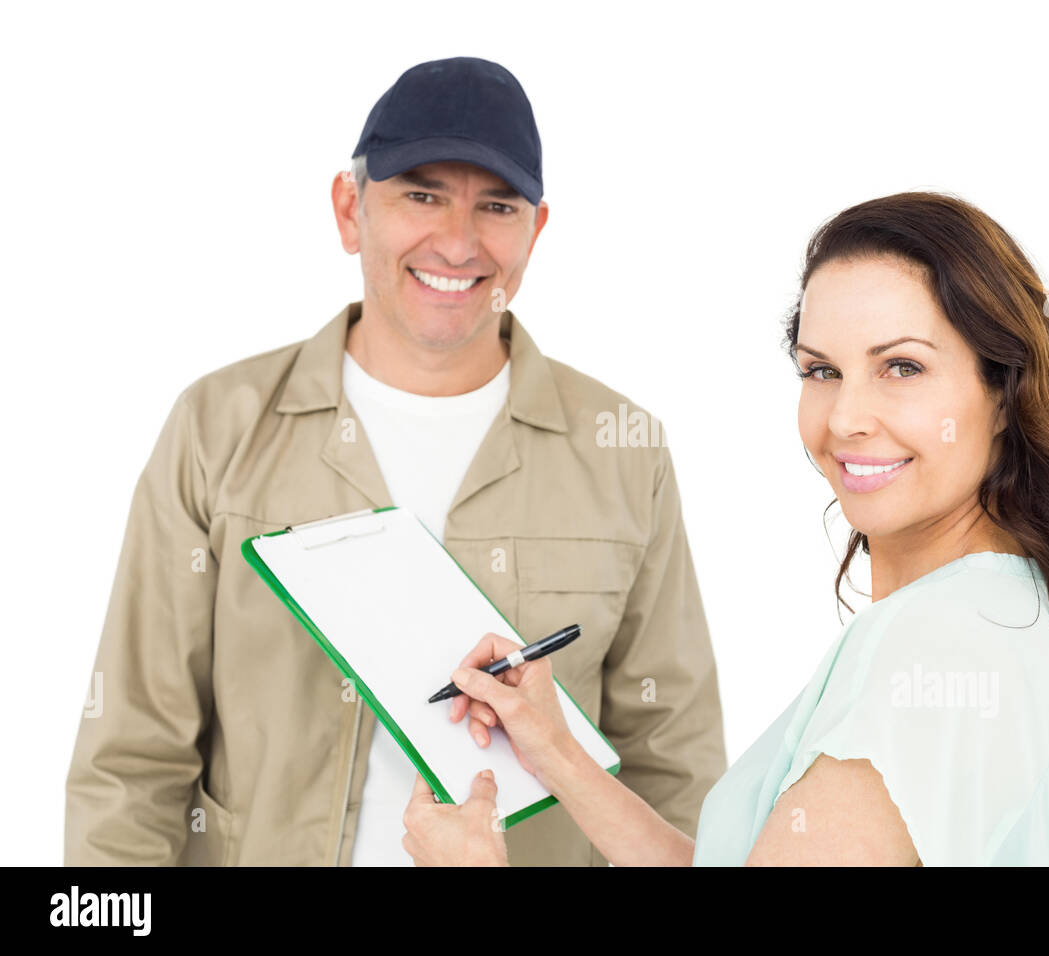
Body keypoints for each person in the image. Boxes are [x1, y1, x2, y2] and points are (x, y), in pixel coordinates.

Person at [64, 57, 727, 866]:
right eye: (421, 194)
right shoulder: (219, 426)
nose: (457, 241)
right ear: (350, 209)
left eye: (496, 205)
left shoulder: (623, 450)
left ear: (535, 232)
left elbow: (675, 766)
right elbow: (132, 759)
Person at [400, 191, 1049, 866]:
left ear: (1002, 391)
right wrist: (558, 751)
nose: (847, 419)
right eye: (822, 370)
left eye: (902, 367)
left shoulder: (935, 644)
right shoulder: (995, 608)